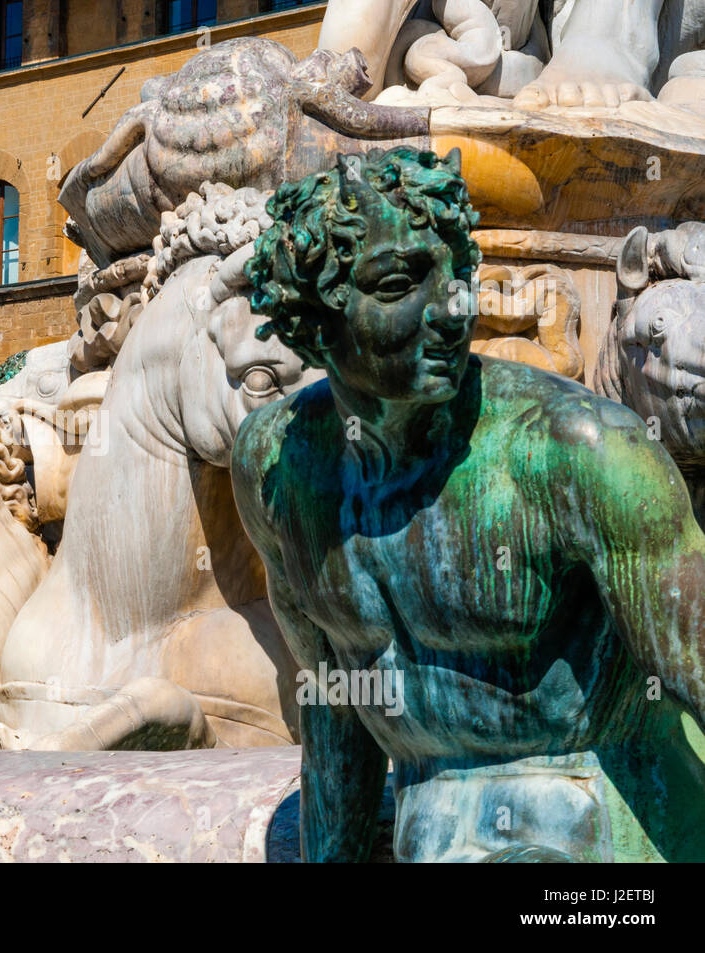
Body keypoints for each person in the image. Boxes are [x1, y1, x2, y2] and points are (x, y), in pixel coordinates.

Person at [232, 146, 705, 862]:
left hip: (611, 834)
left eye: (457, 269)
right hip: (439, 834)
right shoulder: (278, 464)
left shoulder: (575, 450)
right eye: (399, 285)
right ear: (309, 328)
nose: (454, 308)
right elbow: (333, 708)